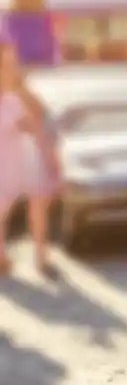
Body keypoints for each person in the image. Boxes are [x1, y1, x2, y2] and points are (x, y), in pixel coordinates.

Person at [0, 44, 61, 278]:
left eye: (13, 64)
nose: (12, 69)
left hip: (22, 162)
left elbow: (37, 123)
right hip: (4, 166)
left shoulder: (15, 99)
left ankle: (41, 258)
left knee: (38, 204)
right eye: (6, 65)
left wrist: (50, 159)